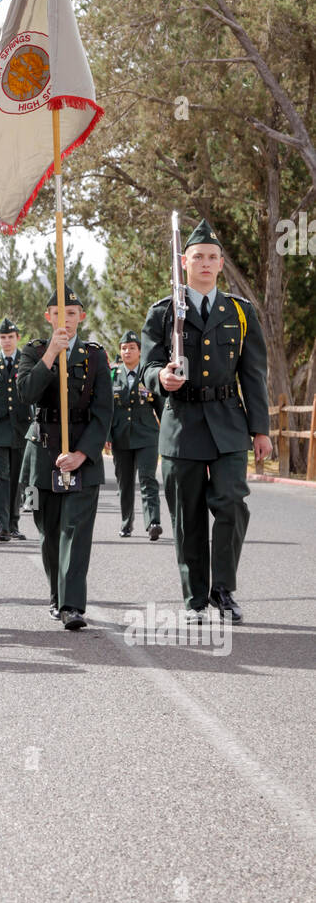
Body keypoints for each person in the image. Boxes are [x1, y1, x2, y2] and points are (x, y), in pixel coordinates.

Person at [140, 218, 271, 623]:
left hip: (229, 422)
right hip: (182, 425)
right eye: (198, 257)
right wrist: (160, 377)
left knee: (232, 503)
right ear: (184, 261)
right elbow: (148, 366)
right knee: (187, 514)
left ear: (221, 262)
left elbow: (253, 374)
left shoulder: (239, 311)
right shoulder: (164, 313)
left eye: (213, 257)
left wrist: (260, 429)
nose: (206, 263)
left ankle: (223, 589)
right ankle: (195, 599)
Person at [17, 283, 113, 630]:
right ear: (48, 316)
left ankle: (73, 605)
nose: (65, 320)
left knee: (76, 530)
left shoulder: (95, 356)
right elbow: (26, 393)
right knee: (51, 532)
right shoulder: (34, 352)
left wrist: (82, 454)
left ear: (81, 316)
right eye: (58, 314)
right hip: (43, 454)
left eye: (71, 314)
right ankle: (57, 596)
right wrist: (49, 356)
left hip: (81, 456)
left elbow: (104, 411)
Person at [107, 329, 163, 541]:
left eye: (132, 348)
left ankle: (153, 522)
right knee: (125, 482)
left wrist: (167, 433)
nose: (127, 351)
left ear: (140, 352)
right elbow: (107, 409)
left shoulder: (148, 375)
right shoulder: (113, 375)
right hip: (121, 437)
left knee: (148, 479)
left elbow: (160, 407)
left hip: (147, 435)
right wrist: (107, 436)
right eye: (124, 348)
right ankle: (126, 522)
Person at [0, 318, 31, 542]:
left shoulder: (26, 362)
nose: (6, 341)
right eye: (2, 337)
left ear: (17, 338)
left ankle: (12, 524)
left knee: (16, 478)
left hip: (21, 428)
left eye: (10, 337)